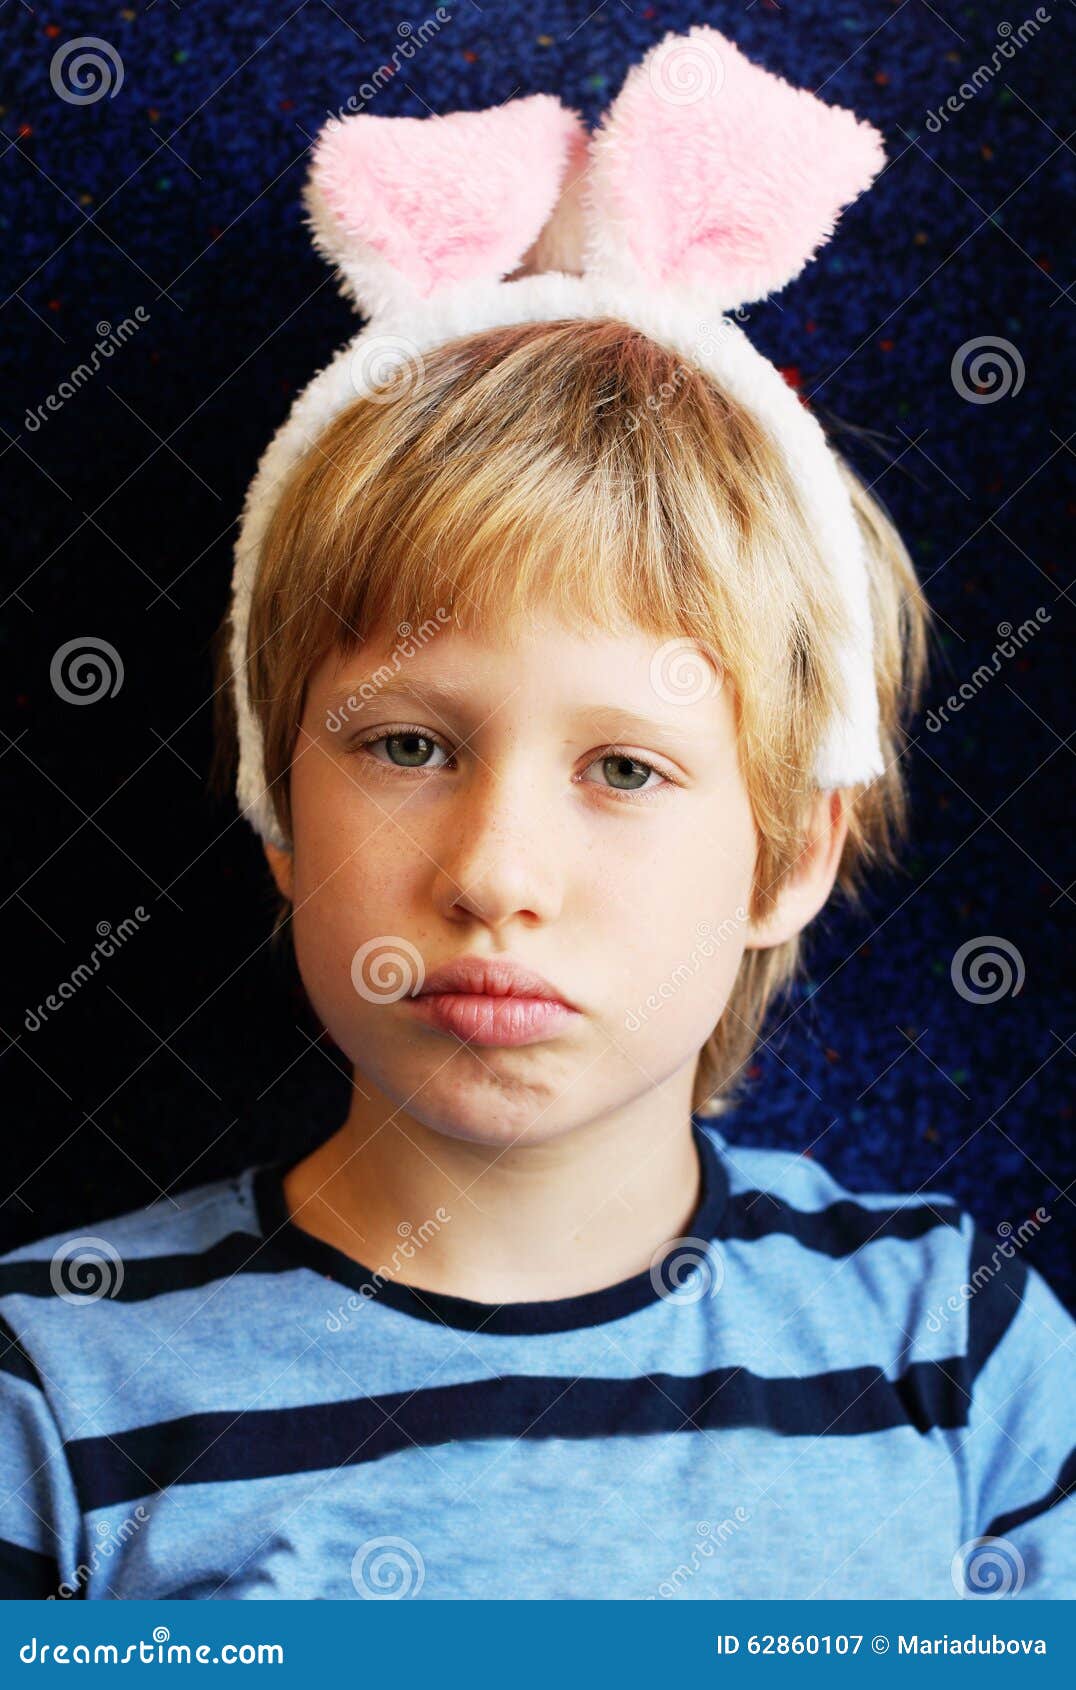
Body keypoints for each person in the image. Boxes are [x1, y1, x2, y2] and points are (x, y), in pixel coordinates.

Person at [2, 25, 1072, 1601]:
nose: (497, 873)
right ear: (277, 805)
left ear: (788, 848)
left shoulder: (969, 1356)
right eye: (410, 746)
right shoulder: (57, 1392)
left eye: (625, 769)